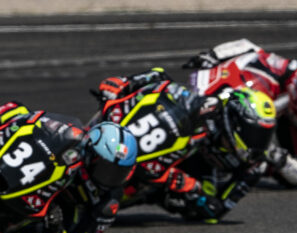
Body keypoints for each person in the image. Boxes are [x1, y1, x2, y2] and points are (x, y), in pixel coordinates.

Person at [92, 69, 276, 223]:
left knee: (196, 202)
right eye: (255, 134)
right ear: (235, 122)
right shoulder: (208, 112)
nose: (258, 142)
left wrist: (188, 189)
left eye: (264, 135)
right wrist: (125, 82)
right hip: (158, 149)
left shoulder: (255, 165)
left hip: (183, 181)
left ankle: (132, 196)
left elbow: (216, 211)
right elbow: (159, 75)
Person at [182, 39, 297, 187]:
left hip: (287, 116)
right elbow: (248, 46)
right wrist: (213, 55)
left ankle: (250, 161)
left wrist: (275, 157)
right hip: (238, 92)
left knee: (290, 178)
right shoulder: (273, 74)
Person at [0, 101, 137, 233]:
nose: (109, 178)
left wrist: (56, 230)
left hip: (37, 226)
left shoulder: (107, 203)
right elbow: (28, 119)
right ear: (91, 155)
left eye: (118, 173)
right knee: (16, 108)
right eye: (105, 168)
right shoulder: (72, 149)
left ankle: (10, 229)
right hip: (24, 183)